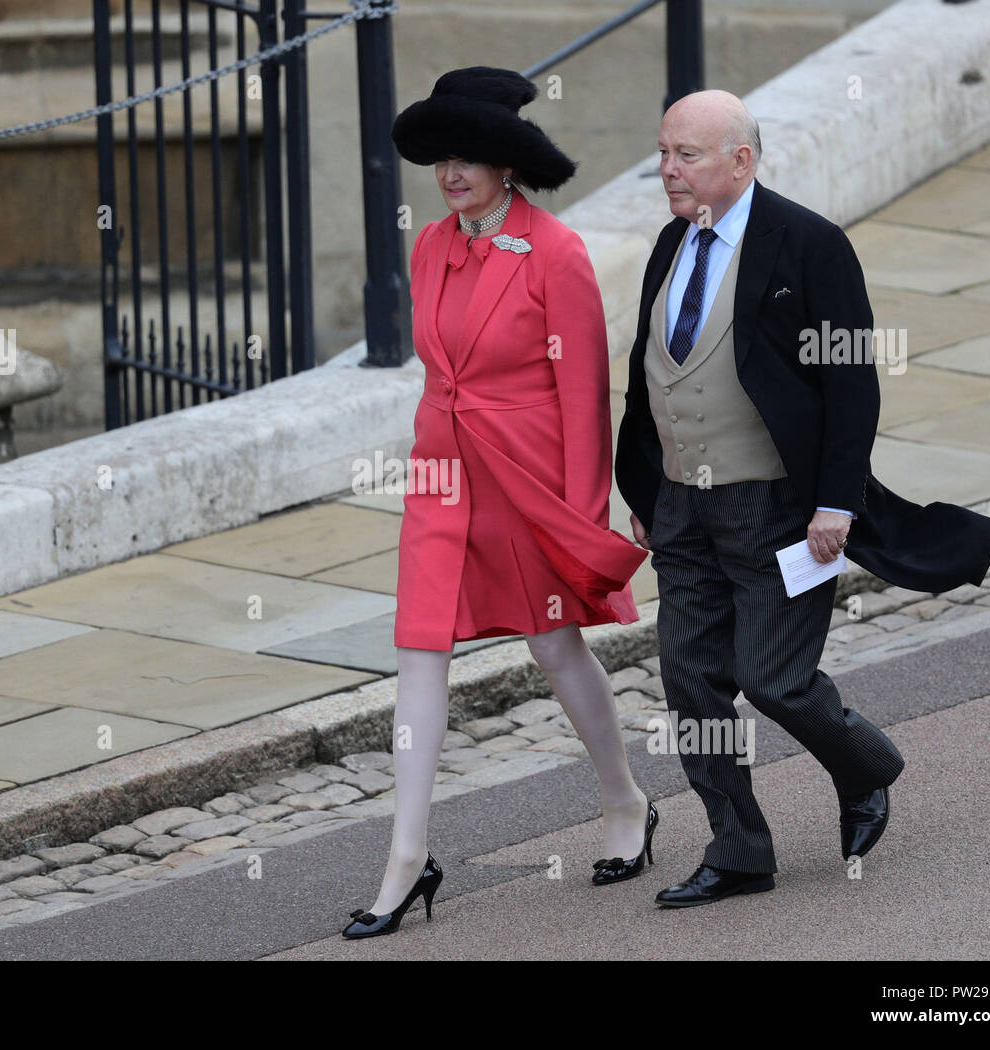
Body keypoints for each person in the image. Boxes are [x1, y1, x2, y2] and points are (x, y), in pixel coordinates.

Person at [614, 89, 990, 908]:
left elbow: (850, 383)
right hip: (684, 504)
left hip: (778, 505)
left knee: (773, 677)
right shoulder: (670, 242)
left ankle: (865, 764)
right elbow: (649, 371)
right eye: (663, 153)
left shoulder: (811, 244)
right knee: (689, 682)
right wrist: (645, 485)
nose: (667, 171)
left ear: (740, 161)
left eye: (685, 155)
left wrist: (838, 502)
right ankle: (739, 849)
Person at [341, 67, 652, 939]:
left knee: (554, 647)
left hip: (526, 475)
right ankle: (406, 857)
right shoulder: (431, 243)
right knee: (418, 651)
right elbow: (439, 367)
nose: (451, 173)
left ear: (506, 164)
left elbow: (587, 392)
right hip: (441, 469)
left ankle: (626, 801)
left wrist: (584, 510)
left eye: (469, 157)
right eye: (441, 157)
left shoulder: (556, 251)